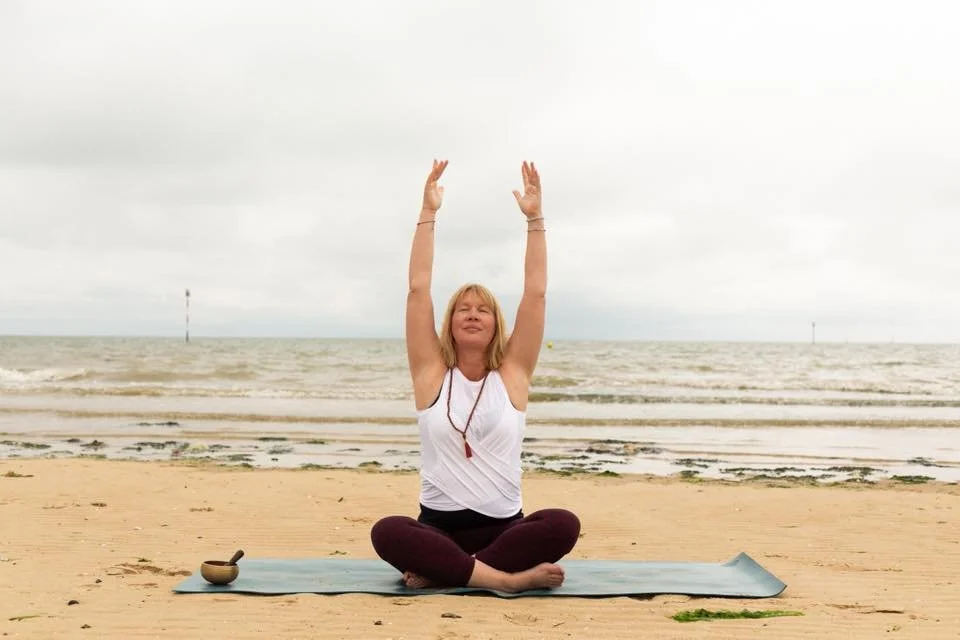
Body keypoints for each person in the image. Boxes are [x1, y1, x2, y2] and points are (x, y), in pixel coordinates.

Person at [370, 159, 581, 593]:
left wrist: (535, 219)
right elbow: (417, 289)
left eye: (483, 309)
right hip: (438, 530)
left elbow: (536, 294)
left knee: (563, 524)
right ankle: (507, 579)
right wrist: (428, 212)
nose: (472, 314)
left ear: (495, 323)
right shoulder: (431, 373)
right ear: (449, 322)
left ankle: (448, 572)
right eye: (463, 308)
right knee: (387, 531)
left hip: (504, 531)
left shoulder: (513, 372)